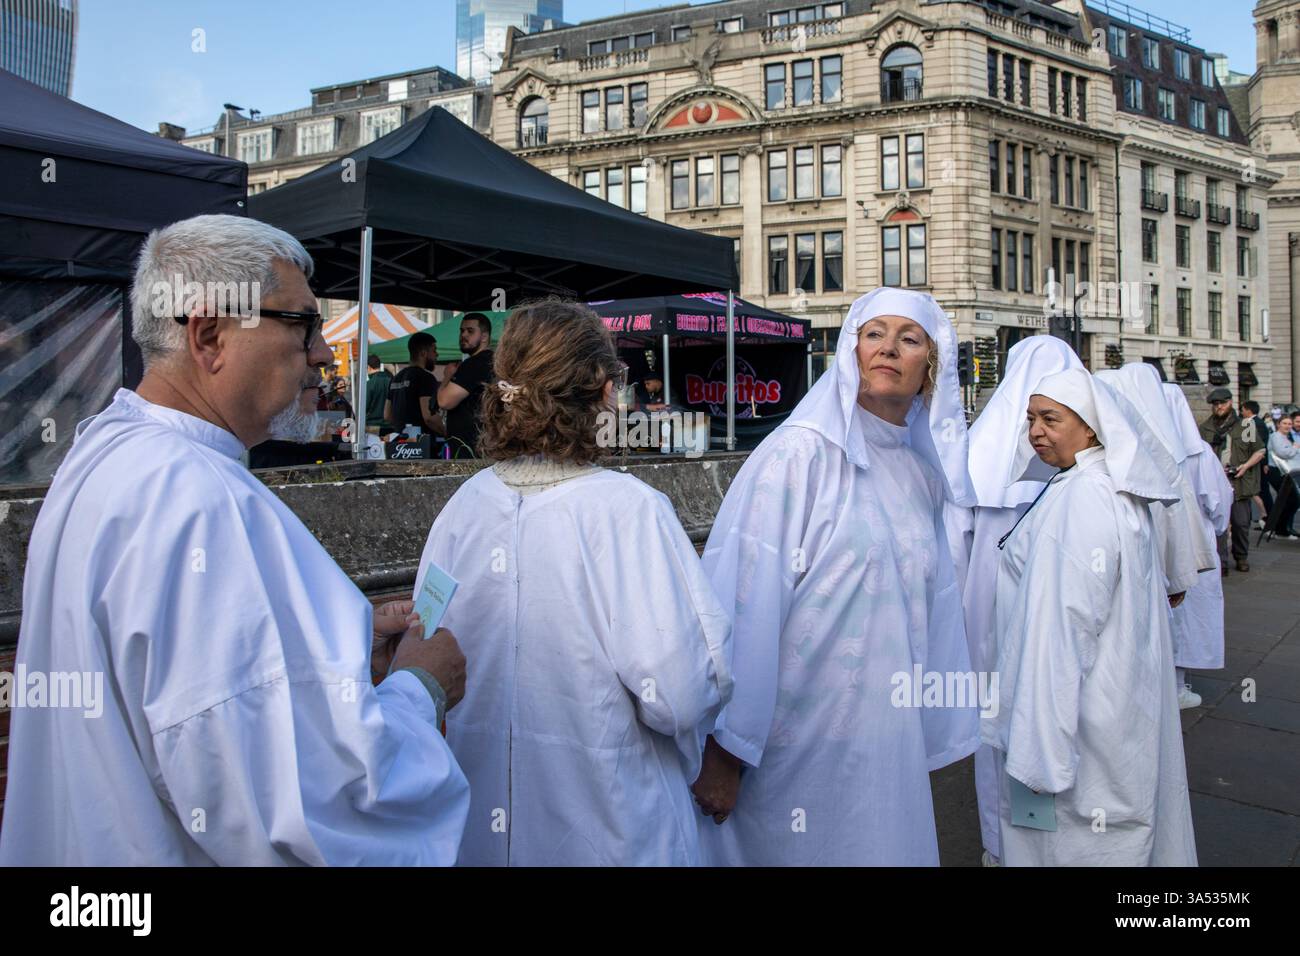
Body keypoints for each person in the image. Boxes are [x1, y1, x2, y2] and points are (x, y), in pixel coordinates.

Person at [0, 214, 470, 865]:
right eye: (302, 324)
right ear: (211, 336)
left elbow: (188, 682)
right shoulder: (196, 497)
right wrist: (421, 688)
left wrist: (330, 647)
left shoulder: (109, 450)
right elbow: (301, 808)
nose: (321, 354)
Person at [414, 297, 731, 866]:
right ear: (605, 391)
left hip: (478, 832)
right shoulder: (630, 511)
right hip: (610, 828)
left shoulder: (460, 509)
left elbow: (426, 651)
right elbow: (680, 692)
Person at [694, 287, 980, 866]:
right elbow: (744, 598)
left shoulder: (923, 476)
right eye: (874, 334)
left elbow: (933, 607)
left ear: (930, 365)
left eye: (909, 338)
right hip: (795, 738)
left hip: (883, 740)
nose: (888, 350)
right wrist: (727, 746)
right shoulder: (799, 457)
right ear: (851, 352)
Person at [984, 368, 1197, 866]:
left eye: (1051, 418)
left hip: (1073, 724)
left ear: (1092, 427)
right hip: (1107, 710)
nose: (1035, 430)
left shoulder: (1084, 495)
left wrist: (1038, 752)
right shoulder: (1096, 486)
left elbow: (1060, 626)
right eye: (1032, 418)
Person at [944, 333, 1083, 867]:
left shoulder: (985, 444)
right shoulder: (1081, 448)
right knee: (1059, 714)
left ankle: (1005, 843)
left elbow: (955, 545)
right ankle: (1052, 839)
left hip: (989, 605)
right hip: (1062, 604)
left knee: (999, 723)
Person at [1095, 364, 1217, 711]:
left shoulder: (1156, 459)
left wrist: (1177, 578)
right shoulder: (1162, 458)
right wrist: (1177, 577)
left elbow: (1176, 520)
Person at [1162, 384, 1233, 705]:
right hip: (1195, 542)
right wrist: (1216, 529)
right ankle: (1178, 685)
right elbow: (1218, 501)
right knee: (1189, 614)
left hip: (1158, 545)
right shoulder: (1199, 453)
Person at [1199, 387, 1267, 572]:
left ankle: (1241, 557)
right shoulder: (1206, 427)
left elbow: (1260, 451)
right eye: (1215, 404)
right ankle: (1221, 562)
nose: (1219, 406)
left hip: (1238, 481)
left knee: (1241, 523)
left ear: (1230, 402)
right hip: (1216, 482)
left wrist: (1245, 466)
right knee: (1219, 525)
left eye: (1222, 403)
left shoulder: (1245, 425)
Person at [437, 312, 495, 457]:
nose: (464, 335)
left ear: (484, 337)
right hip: (480, 445)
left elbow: (444, 401)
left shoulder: (475, 363)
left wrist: (447, 376)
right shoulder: (491, 361)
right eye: (462, 331)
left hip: (469, 449)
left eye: (470, 331)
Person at [386, 331, 442, 436]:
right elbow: (429, 417)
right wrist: (446, 432)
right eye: (434, 351)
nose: (437, 354)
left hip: (400, 445)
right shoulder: (426, 378)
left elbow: (387, 415)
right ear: (423, 353)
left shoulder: (396, 378)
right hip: (421, 445)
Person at [1267, 414, 1300, 537]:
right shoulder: (1276, 436)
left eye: (1289, 424)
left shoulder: (1287, 437)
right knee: (1292, 500)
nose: (1287, 426)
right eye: (1284, 423)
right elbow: (1283, 453)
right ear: (1278, 424)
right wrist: (1295, 448)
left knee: (1289, 501)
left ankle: (1279, 528)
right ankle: (1279, 528)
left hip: (1286, 472)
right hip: (1276, 471)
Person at [1242, 401, 1272, 526]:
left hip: (1256, 462)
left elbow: (1259, 446)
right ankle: (1265, 516)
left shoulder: (1254, 423)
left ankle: (1267, 516)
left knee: (1258, 490)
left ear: (1249, 410)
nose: (1242, 412)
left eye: (1243, 409)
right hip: (1256, 462)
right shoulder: (1256, 423)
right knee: (1257, 490)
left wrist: (1264, 463)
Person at [365, 353, 392, 430]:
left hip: (372, 426)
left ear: (368, 367)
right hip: (390, 427)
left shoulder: (369, 384)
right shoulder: (391, 381)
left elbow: (364, 408)